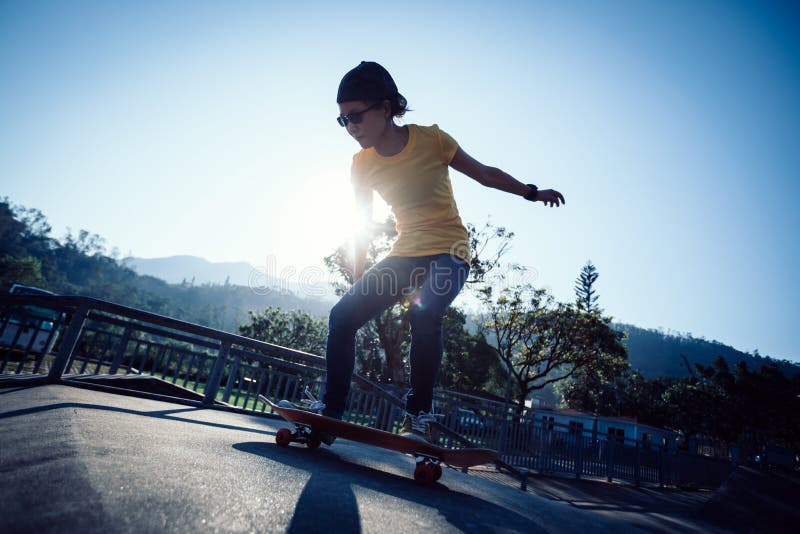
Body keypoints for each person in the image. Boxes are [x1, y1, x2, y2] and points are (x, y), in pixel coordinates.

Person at [309, 61, 565, 443]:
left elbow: (484, 174)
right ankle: (330, 414)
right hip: (405, 252)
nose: (351, 128)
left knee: (425, 311)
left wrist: (531, 192)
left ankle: (420, 416)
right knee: (342, 316)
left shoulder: (432, 140)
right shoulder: (360, 165)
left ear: (386, 107)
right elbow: (361, 224)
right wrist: (359, 278)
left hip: (451, 249)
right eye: (343, 120)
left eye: (357, 116)